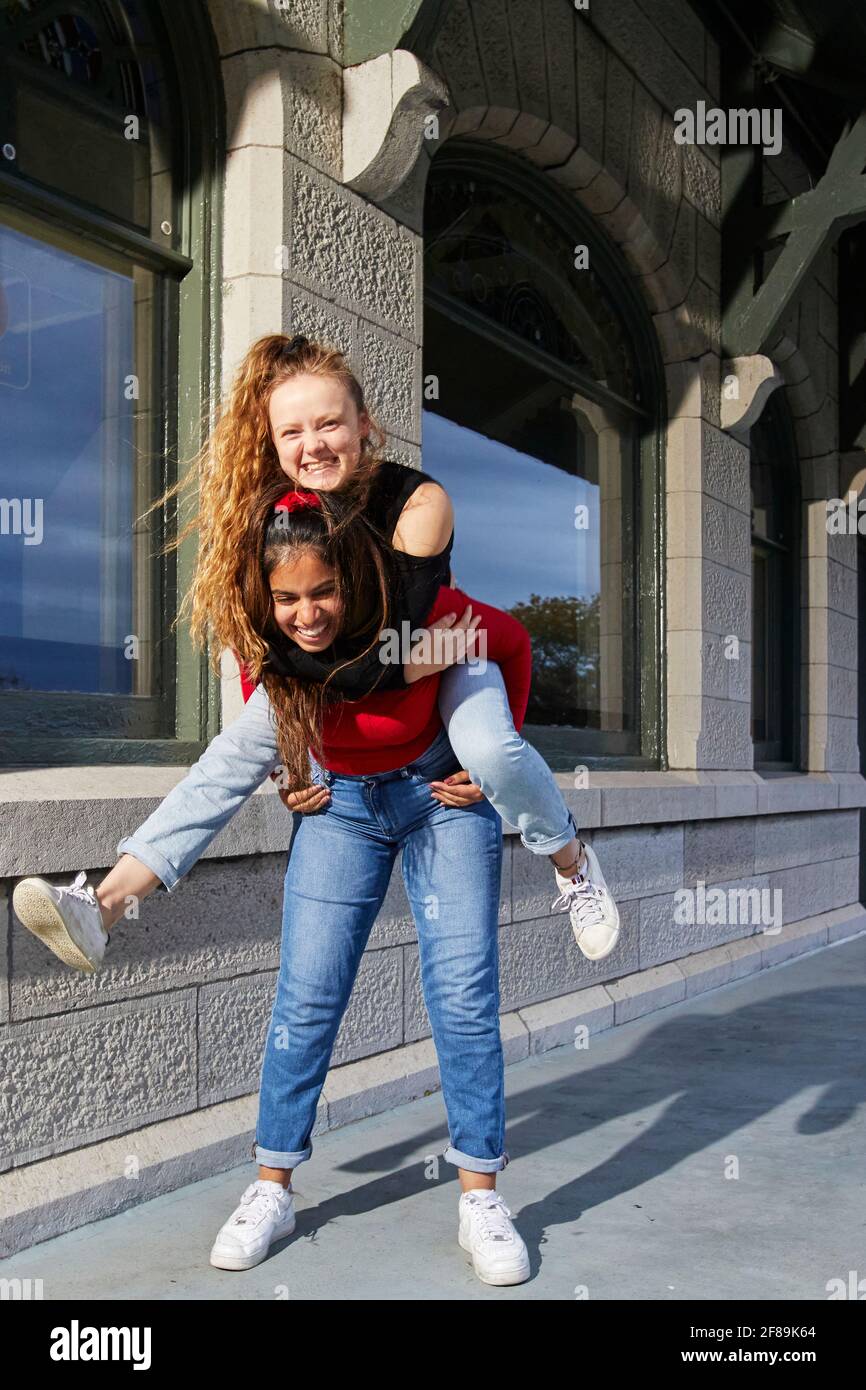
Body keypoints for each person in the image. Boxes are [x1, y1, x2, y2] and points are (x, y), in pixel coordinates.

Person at [13, 487, 544, 1286]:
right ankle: (270, 1183)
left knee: (462, 993)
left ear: (356, 581)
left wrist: (493, 755)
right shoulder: (270, 647)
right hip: (345, 808)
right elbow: (261, 746)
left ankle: (480, 1197)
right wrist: (296, 773)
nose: (307, 613)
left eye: (323, 592)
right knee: (305, 995)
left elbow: (512, 644)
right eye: (288, 598)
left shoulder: (423, 613)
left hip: (441, 798)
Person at [182, 331, 619, 955]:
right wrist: (290, 755)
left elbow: (510, 642)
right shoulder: (281, 531)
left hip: (443, 694)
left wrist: (494, 763)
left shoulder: (416, 527)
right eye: (291, 433)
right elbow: (262, 652)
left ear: (365, 427)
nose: (312, 445)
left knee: (490, 749)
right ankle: (111, 897)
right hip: (351, 780)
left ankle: (573, 864)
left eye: (329, 423)